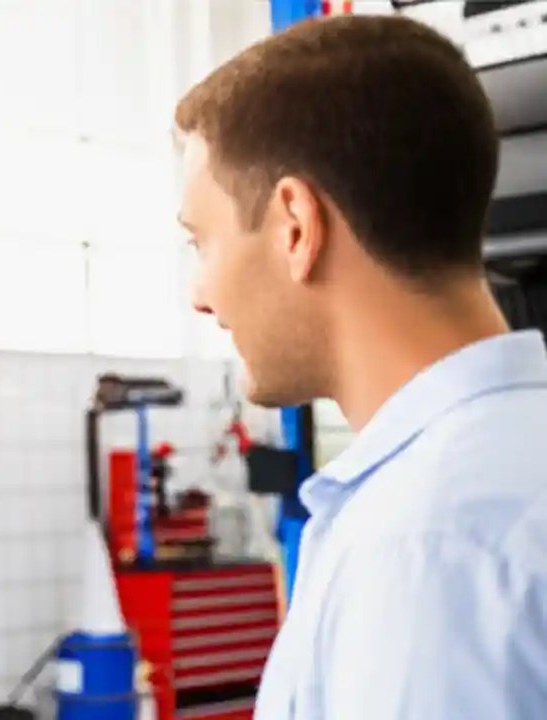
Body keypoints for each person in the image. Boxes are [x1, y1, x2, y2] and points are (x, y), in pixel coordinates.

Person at [174, 14, 547, 720]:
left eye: (202, 241)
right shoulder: (510, 463)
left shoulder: (423, 556)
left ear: (295, 226)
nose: (200, 295)